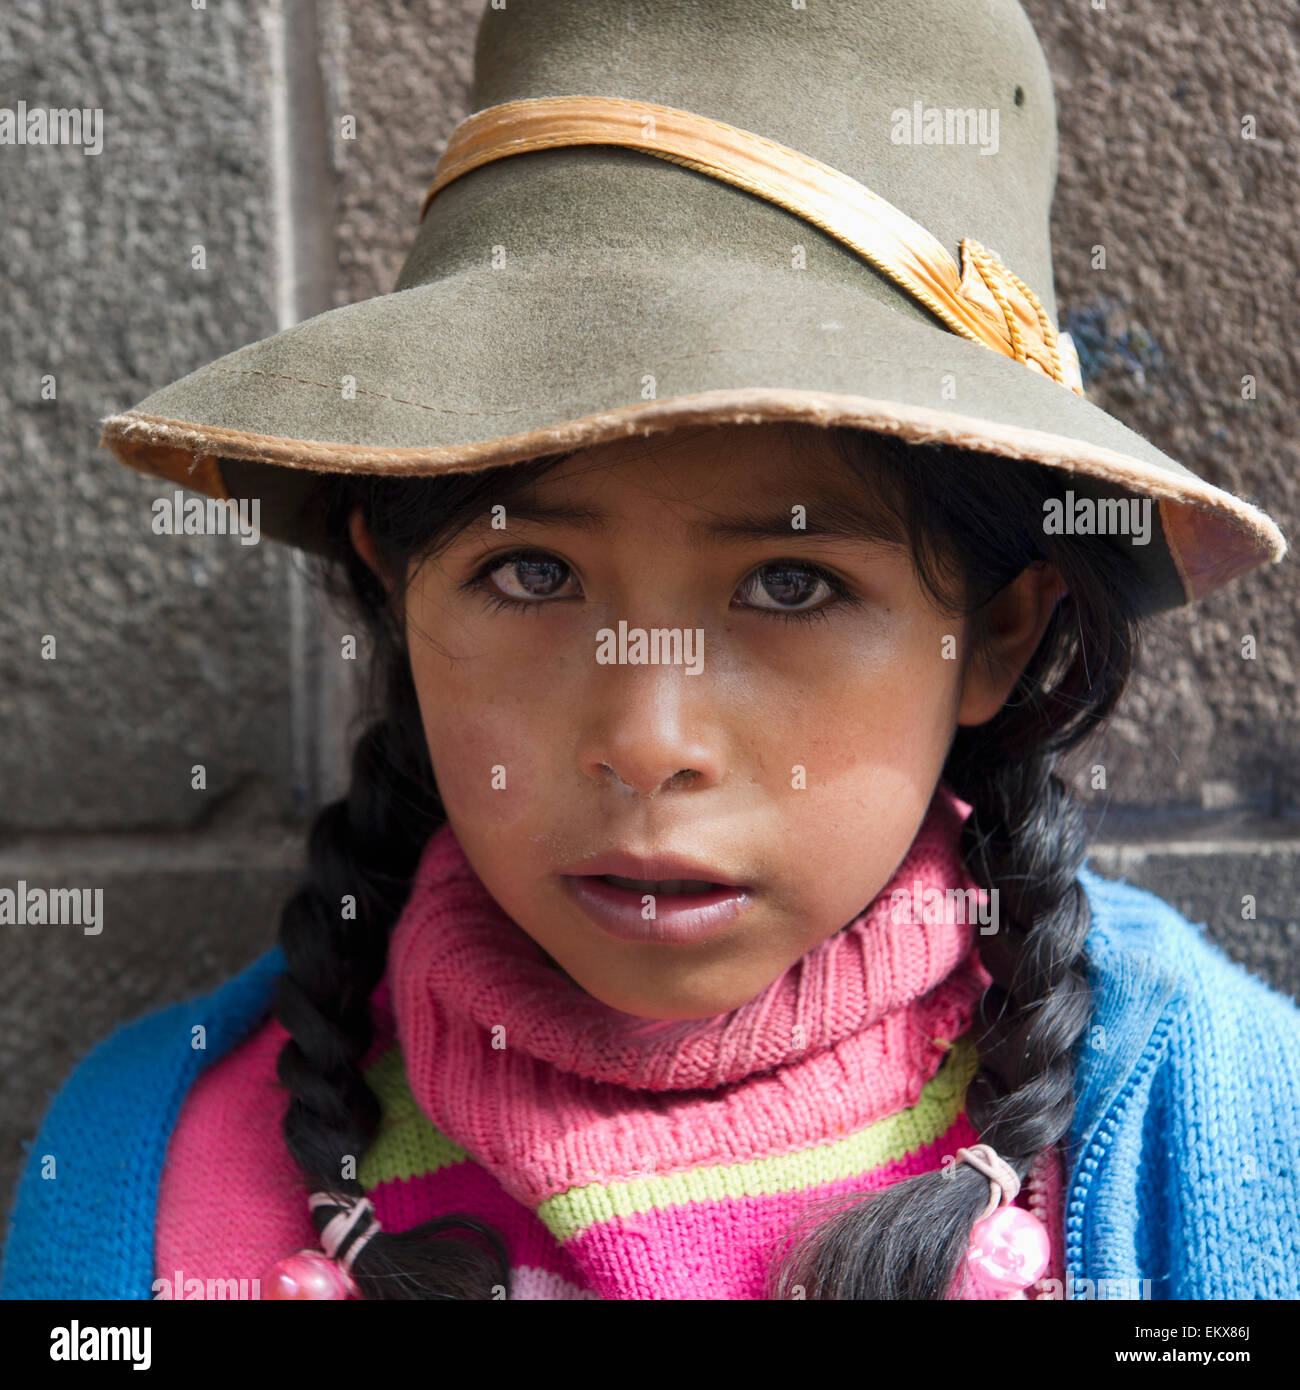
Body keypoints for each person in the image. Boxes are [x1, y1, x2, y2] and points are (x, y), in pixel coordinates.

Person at [3, 0, 1296, 1301]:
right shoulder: (144, 1179)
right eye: (531, 571)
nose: (648, 740)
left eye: (791, 582)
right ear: (397, 585)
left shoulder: (1219, 1133)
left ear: (996, 632)